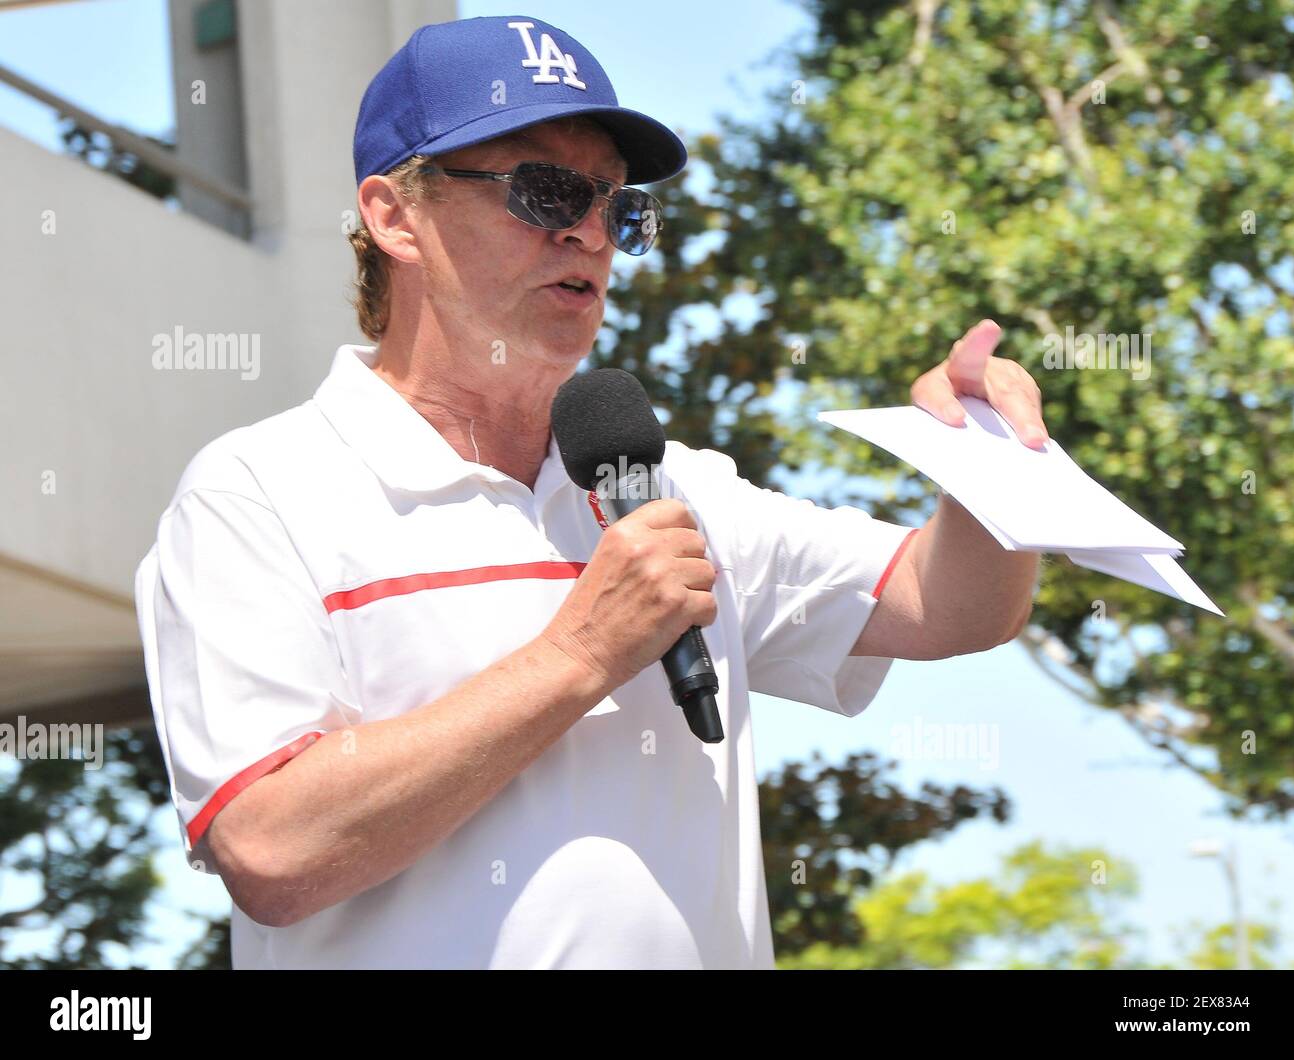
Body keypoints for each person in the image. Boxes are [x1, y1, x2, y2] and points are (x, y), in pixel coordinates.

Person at [135, 15, 1044, 969]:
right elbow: (272, 851)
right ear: (393, 216)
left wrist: (985, 460)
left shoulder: (673, 487)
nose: (588, 232)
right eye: (544, 190)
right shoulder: (258, 494)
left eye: (618, 206)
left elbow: (953, 609)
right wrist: (583, 650)